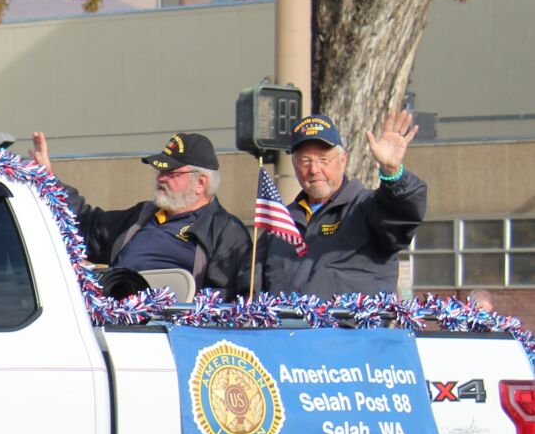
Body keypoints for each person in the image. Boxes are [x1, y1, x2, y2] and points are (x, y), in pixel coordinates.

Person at [30, 131, 253, 298]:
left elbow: (225, 302)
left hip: (168, 332)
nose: (160, 178)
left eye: (170, 172)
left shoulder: (225, 231)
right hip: (111, 314)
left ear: (201, 183)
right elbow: (85, 227)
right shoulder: (142, 216)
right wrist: (50, 181)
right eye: (160, 171)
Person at [259, 111, 427, 297]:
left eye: (324, 159)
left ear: (343, 160)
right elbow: (250, 287)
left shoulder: (366, 209)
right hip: (285, 326)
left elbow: (402, 216)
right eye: (304, 161)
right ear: (294, 164)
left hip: (349, 326)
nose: (314, 170)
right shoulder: (280, 223)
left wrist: (392, 172)